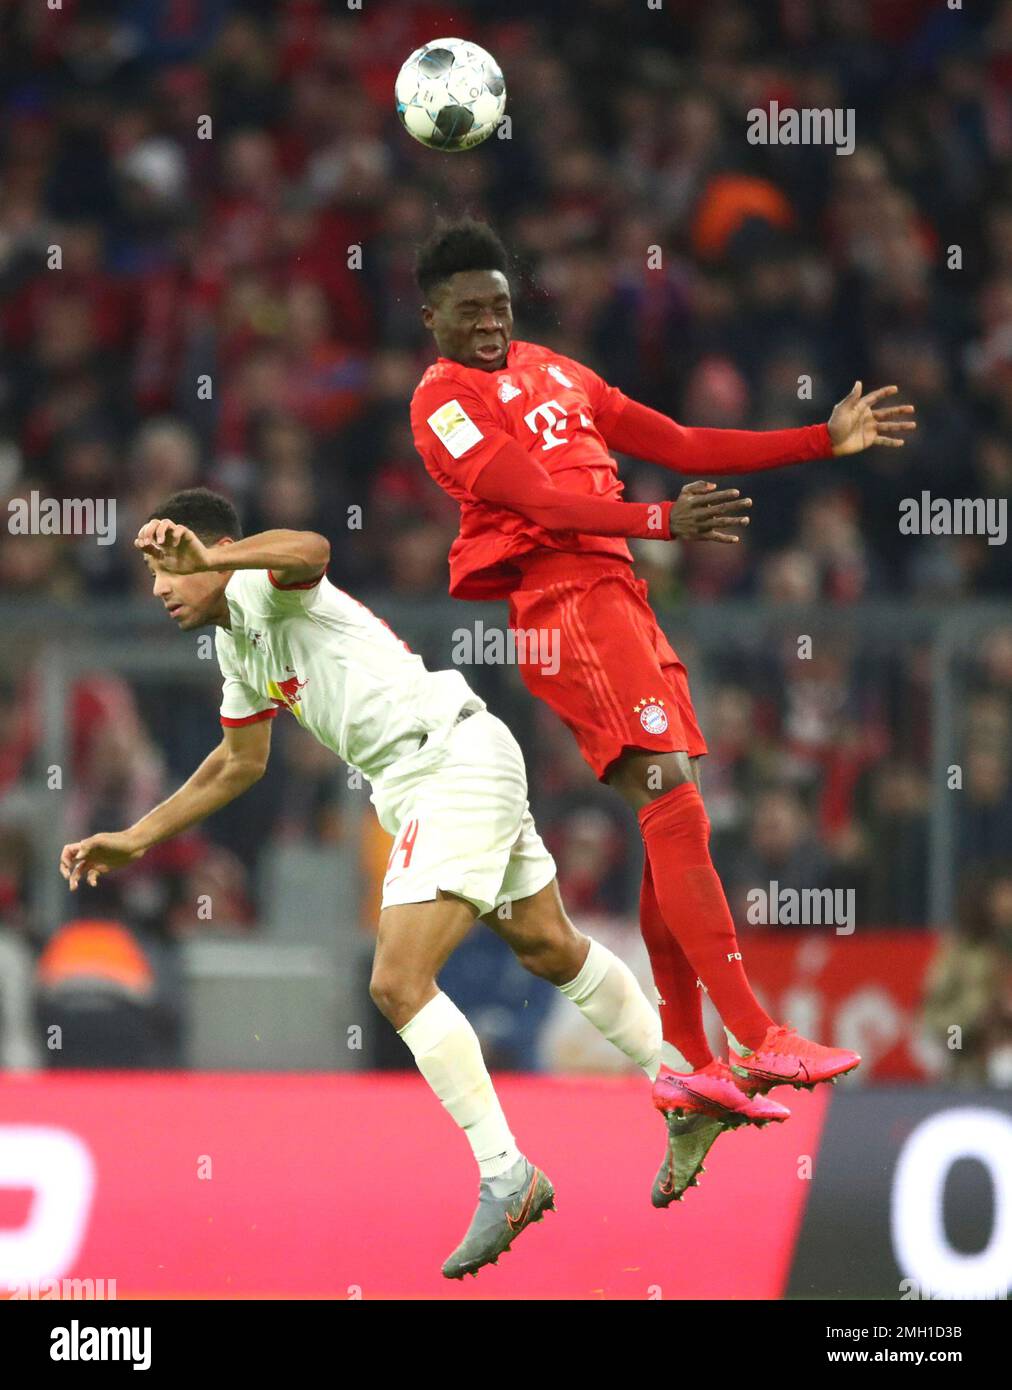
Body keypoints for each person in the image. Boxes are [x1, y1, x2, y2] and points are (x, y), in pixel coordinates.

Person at [57, 488, 782, 1278]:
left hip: (444, 766)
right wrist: (134, 837)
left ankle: (507, 1174)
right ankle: (682, 1082)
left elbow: (312, 546)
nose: (160, 587)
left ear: (215, 550)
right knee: (548, 947)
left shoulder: (266, 586)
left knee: (399, 980)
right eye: (155, 574)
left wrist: (221, 560)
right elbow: (240, 762)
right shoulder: (238, 648)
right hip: (445, 766)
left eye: (169, 567)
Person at [410, 220, 905, 1184]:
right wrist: (661, 520)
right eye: (468, 310)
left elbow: (675, 439)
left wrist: (820, 440)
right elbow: (539, 504)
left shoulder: (560, 372)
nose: (488, 325)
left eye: (500, 307)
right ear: (431, 316)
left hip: (619, 598)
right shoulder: (440, 403)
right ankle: (754, 1033)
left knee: (668, 815)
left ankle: (691, 1071)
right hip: (563, 600)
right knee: (671, 797)